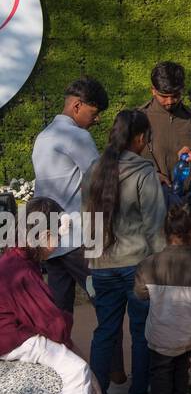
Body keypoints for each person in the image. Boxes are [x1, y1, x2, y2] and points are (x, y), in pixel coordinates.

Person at [83, 109, 167, 394]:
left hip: (103, 266)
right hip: (138, 266)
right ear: (141, 138)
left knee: (105, 331)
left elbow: (89, 223)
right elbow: (155, 224)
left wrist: (93, 266)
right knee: (141, 332)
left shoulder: (94, 168)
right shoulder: (143, 171)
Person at [0, 197, 98, 394]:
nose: (61, 243)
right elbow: (51, 325)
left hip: (10, 333)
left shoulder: (15, 257)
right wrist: (68, 336)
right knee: (77, 371)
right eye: (58, 238)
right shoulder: (22, 269)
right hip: (11, 336)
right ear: (44, 236)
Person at [31, 76, 107, 314]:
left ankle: (59, 350)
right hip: (78, 241)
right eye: (94, 113)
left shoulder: (42, 137)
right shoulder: (78, 136)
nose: (97, 119)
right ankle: (107, 353)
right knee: (106, 304)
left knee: (59, 311)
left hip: (50, 240)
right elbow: (100, 183)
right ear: (77, 106)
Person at [132, 205, 191, 394]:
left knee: (160, 374)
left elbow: (140, 294)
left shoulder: (147, 265)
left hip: (160, 333)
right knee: (182, 370)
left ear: (165, 232)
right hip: (188, 333)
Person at [138, 61, 191, 180]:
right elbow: (124, 160)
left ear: (182, 89)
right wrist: (152, 176)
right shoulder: (137, 118)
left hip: (187, 196)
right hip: (148, 194)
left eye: (176, 95)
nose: (170, 101)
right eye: (164, 96)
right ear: (153, 90)